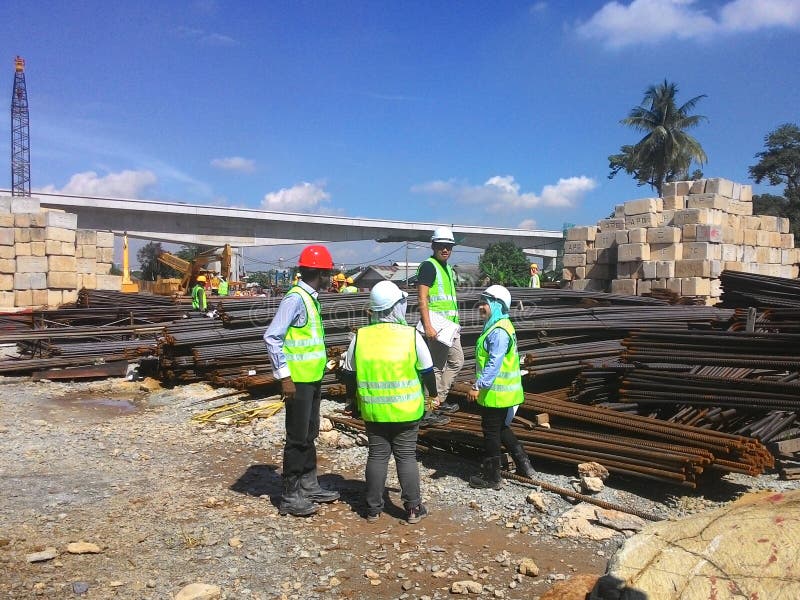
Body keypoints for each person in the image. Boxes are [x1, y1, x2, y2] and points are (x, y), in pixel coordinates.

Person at [342, 281, 438, 524]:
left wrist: (352, 401)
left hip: (373, 411)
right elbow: (427, 370)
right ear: (397, 306)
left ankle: (373, 509)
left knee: (377, 455)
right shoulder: (411, 336)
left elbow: (350, 375)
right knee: (405, 456)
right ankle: (413, 508)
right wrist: (433, 394)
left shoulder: (360, 337)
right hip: (407, 411)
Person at [263, 244, 340, 517]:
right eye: (329, 273)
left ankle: (308, 485)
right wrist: (284, 376)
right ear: (320, 273)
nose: (332, 278)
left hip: (312, 378)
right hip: (297, 381)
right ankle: (290, 494)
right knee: (297, 437)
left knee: (309, 432)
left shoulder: (311, 298)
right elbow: (272, 337)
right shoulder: (295, 298)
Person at [467, 285, 536, 489]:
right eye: (481, 302)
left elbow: (494, 362)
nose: (481, 306)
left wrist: (478, 385)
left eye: (485, 303)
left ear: (497, 305)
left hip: (495, 393)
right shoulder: (501, 325)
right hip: (505, 392)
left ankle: (492, 477)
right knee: (501, 428)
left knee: (491, 432)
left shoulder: (498, 331)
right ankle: (525, 464)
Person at [416, 226, 463, 427]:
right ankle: (429, 409)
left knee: (456, 361)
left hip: (449, 327)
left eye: (449, 246)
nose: (445, 249)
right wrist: (428, 326)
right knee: (436, 367)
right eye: (442, 246)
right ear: (433, 245)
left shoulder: (447, 269)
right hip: (436, 327)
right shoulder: (429, 266)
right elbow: (422, 297)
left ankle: (437, 400)